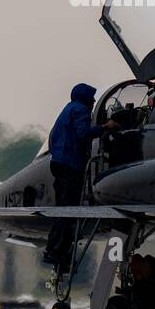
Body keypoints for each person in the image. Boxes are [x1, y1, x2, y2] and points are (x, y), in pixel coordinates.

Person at [42, 83, 117, 271]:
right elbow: (83, 133)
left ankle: (57, 250)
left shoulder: (69, 109)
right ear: (86, 98)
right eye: (91, 98)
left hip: (61, 164)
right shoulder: (81, 110)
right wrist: (105, 127)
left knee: (63, 209)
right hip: (70, 166)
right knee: (68, 210)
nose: (93, 101)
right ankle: (58, 250)